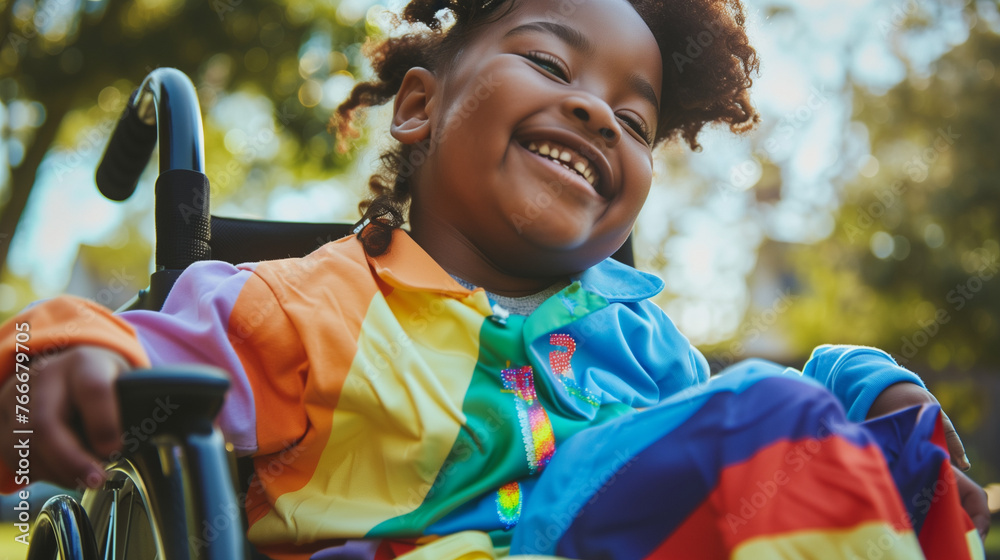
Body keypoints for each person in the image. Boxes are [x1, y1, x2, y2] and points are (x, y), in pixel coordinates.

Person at [0, 0, 990, 558]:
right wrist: (51, 362)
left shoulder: (644, 352)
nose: (599, 115)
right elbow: (81, 363)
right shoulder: (294, 306)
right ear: (418, 107)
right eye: (550, 64)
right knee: (763, 419)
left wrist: (865, 387)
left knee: (878, 445)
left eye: (635, 121)